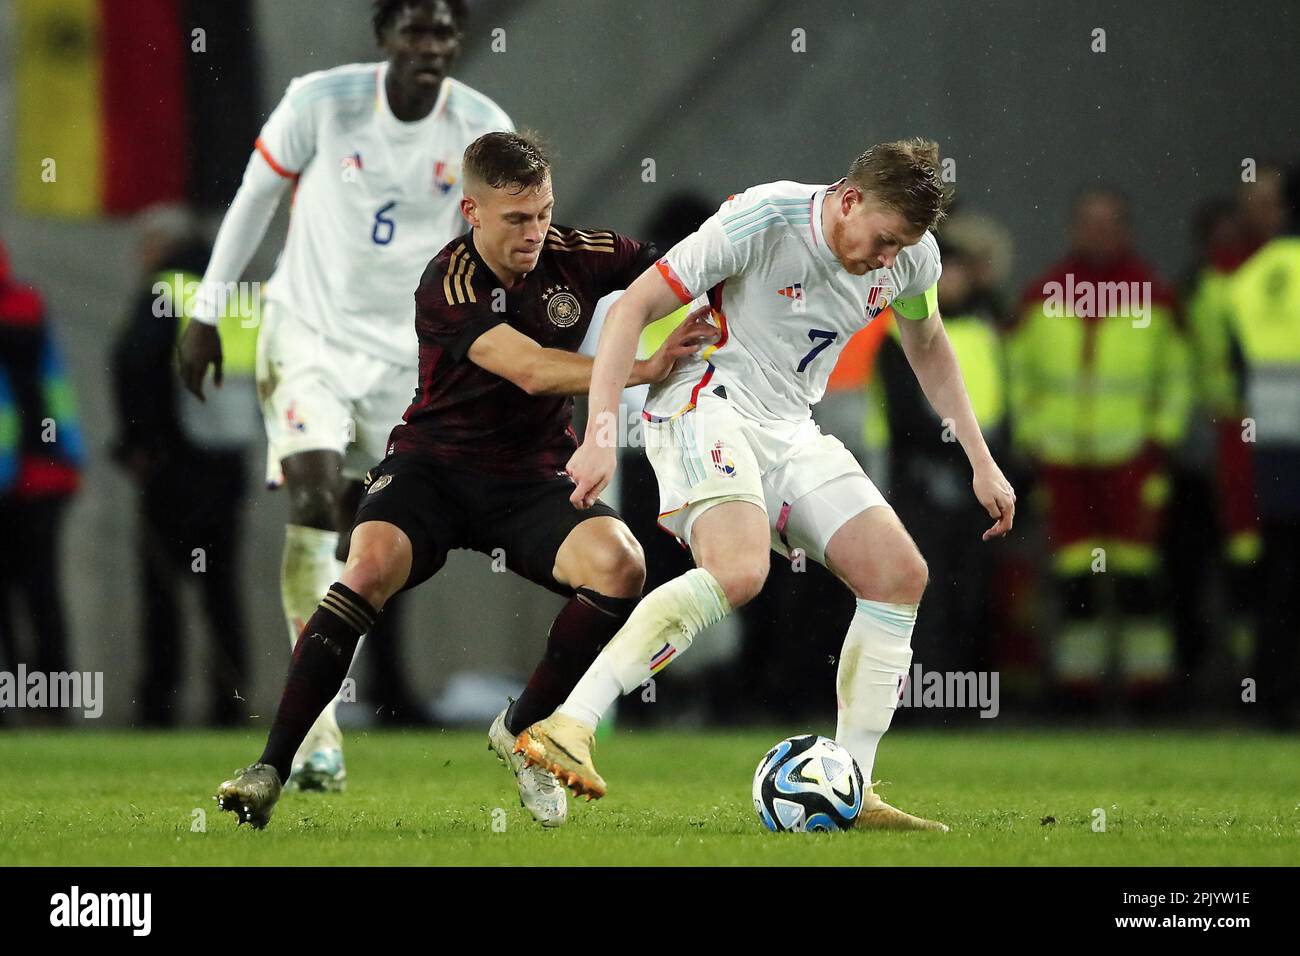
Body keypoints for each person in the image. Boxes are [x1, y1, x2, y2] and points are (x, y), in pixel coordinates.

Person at [213, 131, 715, 829]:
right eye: (516, 218)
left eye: (542, 212)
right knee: (365, 571)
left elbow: (683, 268)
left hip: (532, 477)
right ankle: (271, 765)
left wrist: (737, 275)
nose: (535, 232)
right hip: (434, 467)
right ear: (471, 210)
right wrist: (643, 370)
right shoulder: (447, 281)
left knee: (621, 566)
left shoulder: (579, 253)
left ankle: (522, 730)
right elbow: (534, 368)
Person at [519, 138, 1017, 831]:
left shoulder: (914, 257)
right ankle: (570, 722)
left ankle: (854, 786)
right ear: (848, 200)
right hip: (703, 398)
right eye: (882, 240)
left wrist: (980, 458)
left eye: (901, 248)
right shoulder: (765, 216)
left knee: (899, 574)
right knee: (740, 571)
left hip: (787, 425)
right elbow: (633, 306)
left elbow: (928, 344)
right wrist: (601, 436)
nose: (887, 260)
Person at [178, 0, 513, 788]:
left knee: (375, 536)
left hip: (407, 360)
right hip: (309, 337)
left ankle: (344, 689)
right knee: (315, 496)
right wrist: (203, 312)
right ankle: (319, 732)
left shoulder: (480, 126)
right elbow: (255, 197)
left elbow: (507, 241)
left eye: (444, 33)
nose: (432, 47)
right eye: (416, 31)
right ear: (384, 37)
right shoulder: (319, 102)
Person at [1007, 188, 1190, 710]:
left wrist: (1162, 438)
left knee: (1137, 578)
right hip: (1062, 461)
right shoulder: (1042, 295)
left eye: (1109, 222)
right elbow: (1016, 376)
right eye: (1089, 222)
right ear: (1073, 228)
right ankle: (1077, 690)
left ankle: (1148, 690)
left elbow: (1178, 377)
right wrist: (1032, 438)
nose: (1098, 232)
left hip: (1134, 458)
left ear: (1125, 228)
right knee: (1074, 579)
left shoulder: (1155, 295)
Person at [111, 206, 259, 726]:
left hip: (174, 465)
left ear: (158, 245)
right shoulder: (237, 293)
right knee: (222, 588)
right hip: (230, 462)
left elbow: (134, 361)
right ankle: (231, 700)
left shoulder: (166, 290)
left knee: (164, 589)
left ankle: (160, 703)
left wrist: (137, 441)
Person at [1225, 162, 1300, 728]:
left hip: (1274, 445)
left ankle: (1273, 700)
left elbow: (1237, 366)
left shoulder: (1249, 278)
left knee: (1280, 575)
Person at [0, 239, 86, 723]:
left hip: (24, 477)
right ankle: (54, 707)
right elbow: (54, 387)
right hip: (48, 474)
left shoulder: (23, 309)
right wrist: (71, 456)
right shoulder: (29, 306)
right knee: (42, 593)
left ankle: (12, 705)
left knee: (17, 597)